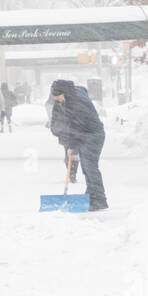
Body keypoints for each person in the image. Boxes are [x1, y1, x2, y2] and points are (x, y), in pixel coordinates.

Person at [50, 79, 108, 211]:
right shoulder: (75, 93)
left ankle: (99, 200)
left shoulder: (75, 103)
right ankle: (92, 194)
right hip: (89, 134)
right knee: (88, 168)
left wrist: (72, 146)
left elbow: (77, 127)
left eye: (58, 97)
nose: (58, 100)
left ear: (63, 92)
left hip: (92, 135)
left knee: (90, 168)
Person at [48, 94, 78, 183]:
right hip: (63, 132)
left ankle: (73, 173)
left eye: (58, 96)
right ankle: (71, 172)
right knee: (67, 154)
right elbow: (54, 118)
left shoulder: (73, 102)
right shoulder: (57, 104)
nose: (56, 98)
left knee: (74, 154)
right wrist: (54, 129)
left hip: (75, 132)